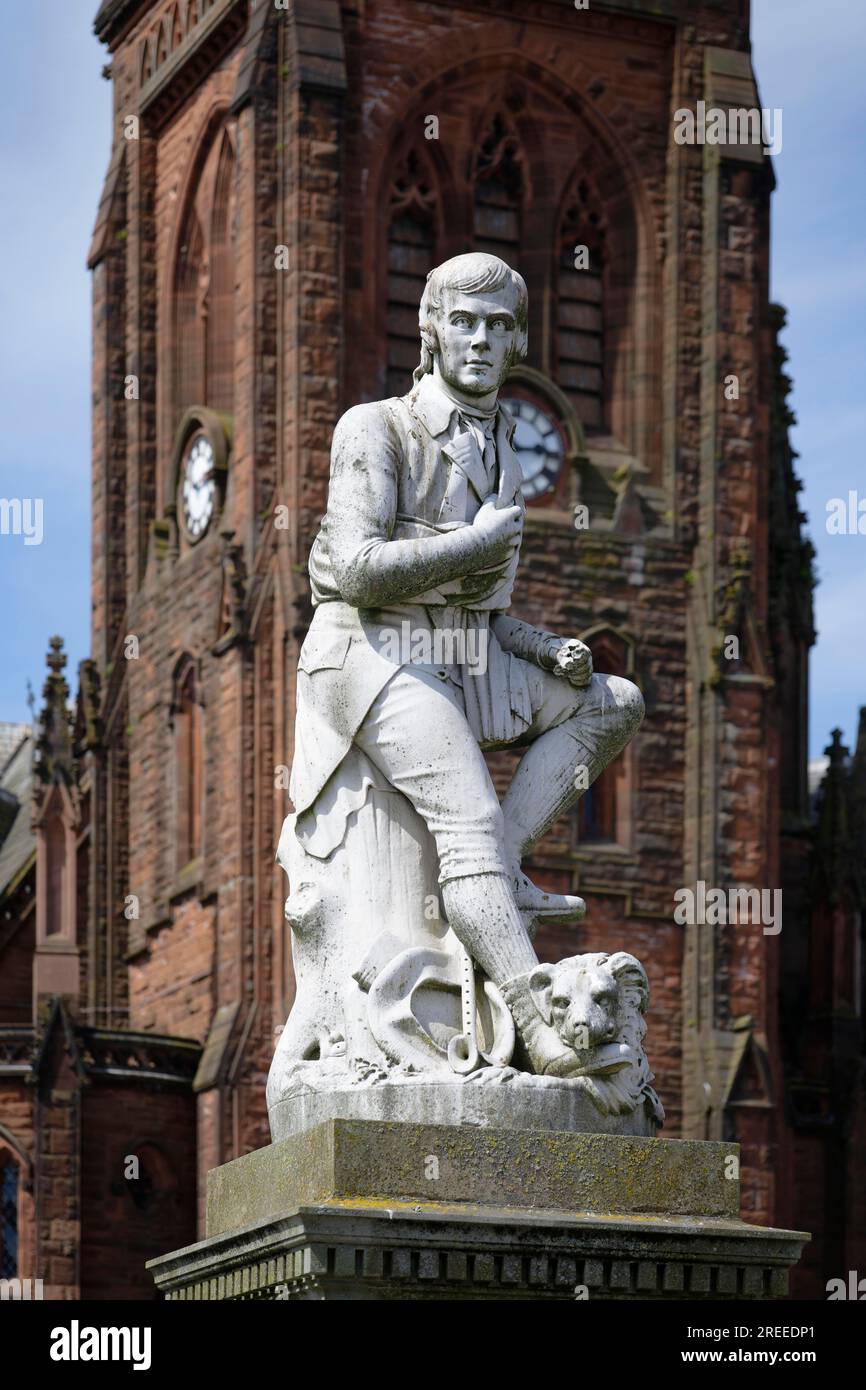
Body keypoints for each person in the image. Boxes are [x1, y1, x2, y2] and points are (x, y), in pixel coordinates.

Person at [289, 251, 644, 1073]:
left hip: (461, 650)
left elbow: (482, 611)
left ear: (518, 339)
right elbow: (352, 569)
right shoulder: (375, 428)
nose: (479, 340)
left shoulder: (503, 454)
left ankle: (505, 872)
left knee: (613, 701)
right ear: (431, 330)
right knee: (468, 824)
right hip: (372, 651)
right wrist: (472, 543)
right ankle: (539, 1021)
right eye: (463, 322)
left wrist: (543, 648)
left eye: (497, 326)